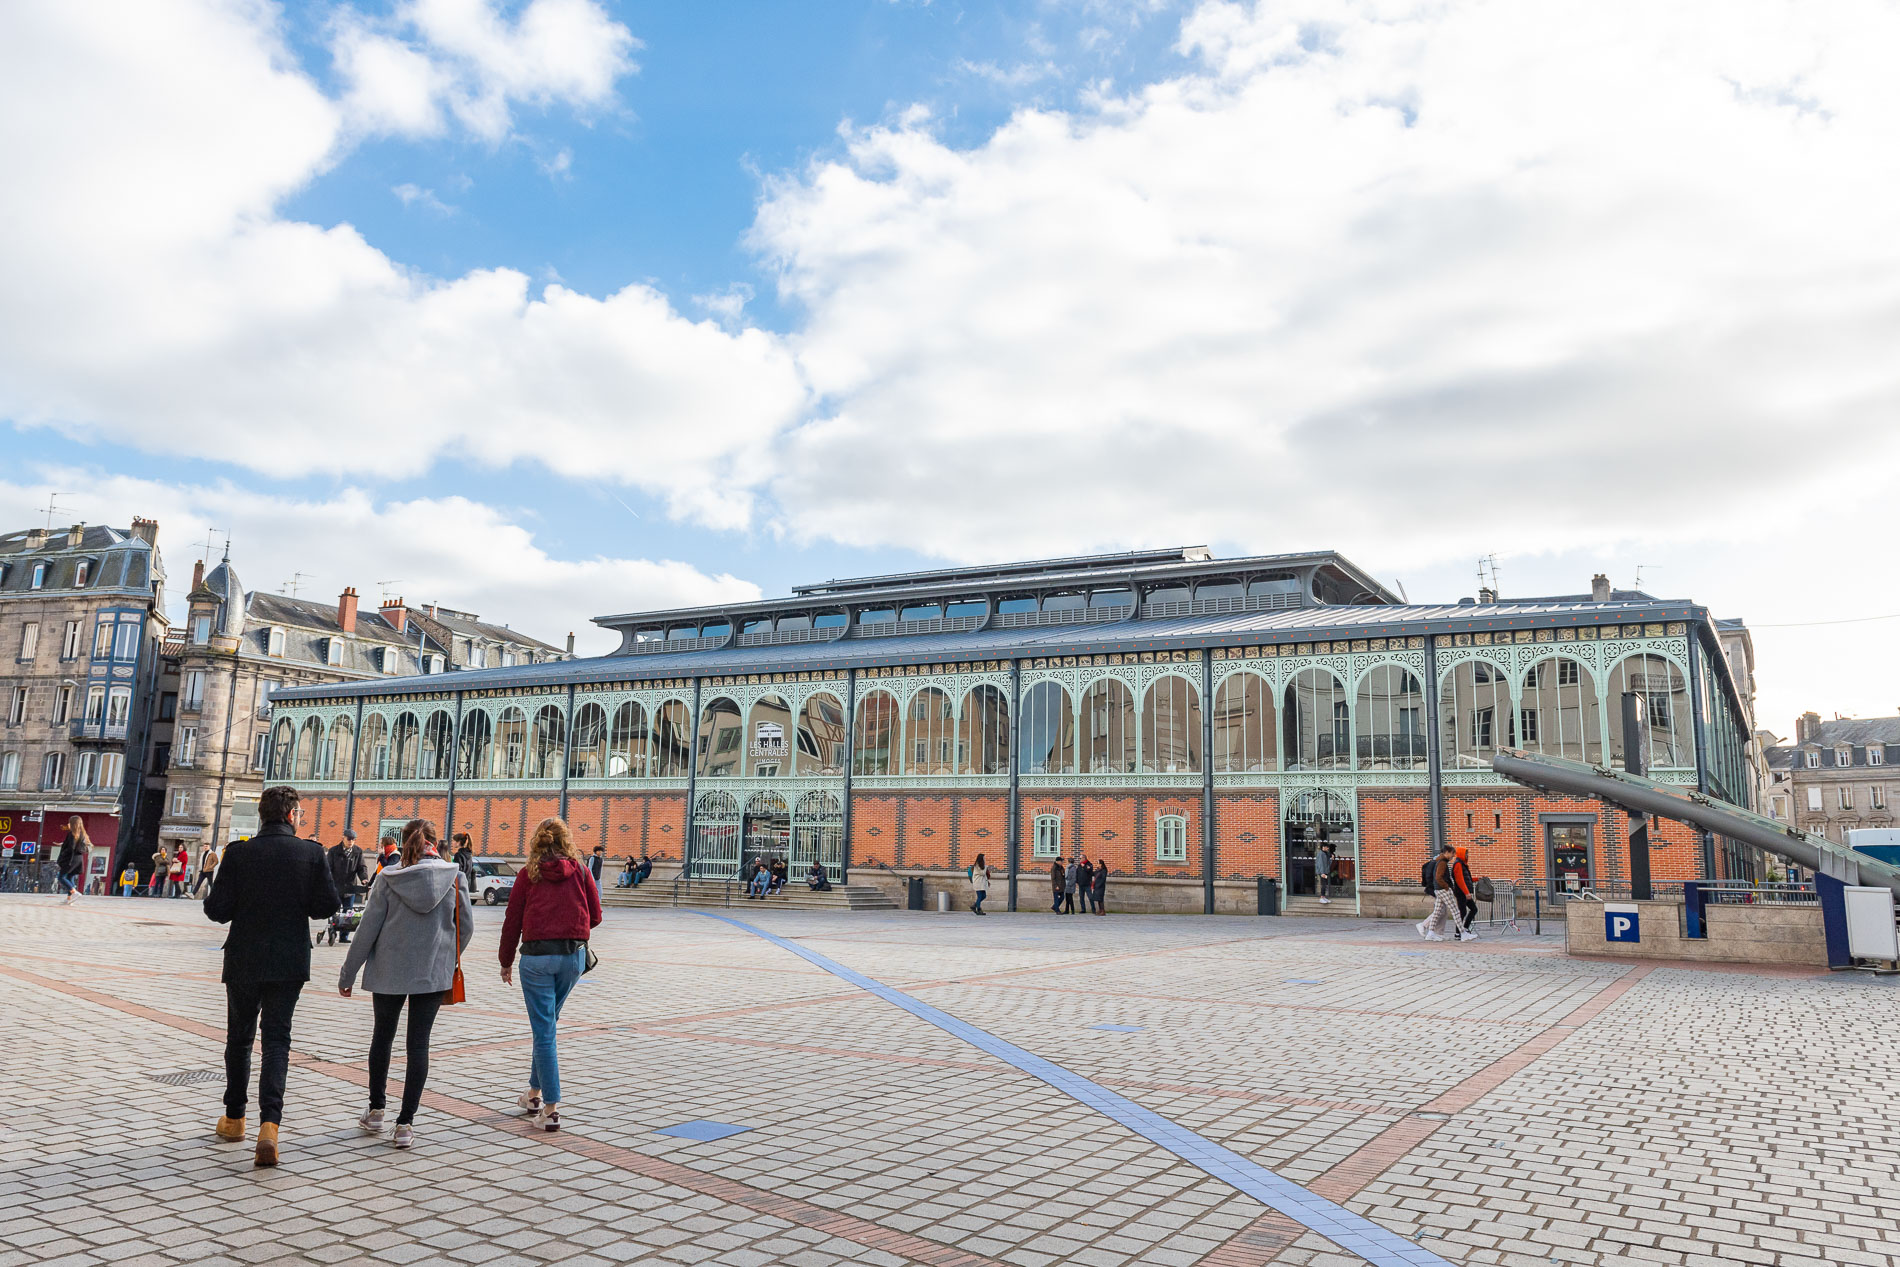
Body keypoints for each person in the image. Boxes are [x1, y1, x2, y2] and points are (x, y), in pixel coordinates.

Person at [203, 785, 339, 1167]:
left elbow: (217, 911)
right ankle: (270, 1127)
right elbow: (327, 905)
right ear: (292, 815)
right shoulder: (311, 853)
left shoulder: (239, 853)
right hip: (289, 959)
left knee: (240, 1038)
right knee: (277, 1040)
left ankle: (234, 1118)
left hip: (244, 958)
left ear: (262, 816)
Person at [338, 817, 473, 1150]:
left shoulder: (388, 877)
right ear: (434, 842)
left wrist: (348, 973)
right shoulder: (454, 876)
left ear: (404, 842)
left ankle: (376, 1110)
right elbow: (466, 927)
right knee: (418, 1044)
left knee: (383, 1037)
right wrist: (446, 955)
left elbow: (367, 929)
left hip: (388, 971)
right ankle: (405, 1124)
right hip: (432, 972)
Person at [499, 818, 601, 1133]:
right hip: (572, 958)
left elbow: (512, 919)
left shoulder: (528, 874)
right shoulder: (581, 871)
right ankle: (533, 1094)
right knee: (547, 1026)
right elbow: (596, 916)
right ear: (566, 840)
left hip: (537, 959)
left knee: (544, 1031)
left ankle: (551, 1109)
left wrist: (505, 960)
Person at [328, 831, 368, 940]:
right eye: (349, 839)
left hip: (350, 887)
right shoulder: (333, 851)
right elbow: (328, 868)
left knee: (348, 912)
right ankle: (332, 930)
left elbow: (361, 867)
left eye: (353, 839)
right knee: (335, 911)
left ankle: (344, 936)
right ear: (343, 838)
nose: (351, 841)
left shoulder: (358, 851)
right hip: (336, 886)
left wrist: (364, 878)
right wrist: (328, 881)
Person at [1417, 844, 1460, 942]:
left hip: (1439, 889)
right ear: (1446, 852)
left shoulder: (1441, 861)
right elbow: (1436, 878)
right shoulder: (1439, 862)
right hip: (1438, 890)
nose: (1453, 856)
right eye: (1452, 853)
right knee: (1440, 911)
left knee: (1442, 911)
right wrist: (1443, 888)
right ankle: (1424, 925)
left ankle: (1438, 932)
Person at [54, 816, 87, 905]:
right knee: (70, 877)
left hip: (70, 859)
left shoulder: (72, 834)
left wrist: (63, 854)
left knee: (61, 877)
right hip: (78, 859)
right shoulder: (82, 834)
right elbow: (76, 845)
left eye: (70, 822)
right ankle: (69, 899)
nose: (68, 824)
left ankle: (74, 892)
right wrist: (63, 844)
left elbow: (71, 847)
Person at [1450, 846, 1479, 941]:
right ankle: (1458, 932)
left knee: (1473, 909)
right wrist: (1466, 892)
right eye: (1466, 853)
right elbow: (1460, 880)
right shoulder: (1458, 864)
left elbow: (1467, 879)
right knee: (1463, 911)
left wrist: (1478, 879)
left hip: (1464, 891)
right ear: (1462, 854)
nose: (1467, 855)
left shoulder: (1463, 864)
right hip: (1461, 892)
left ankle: (1464, 929)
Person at [1316, 837, 1335, 906]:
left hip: (1325, 871)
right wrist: (1322, 873)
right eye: (1327, 847)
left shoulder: (1325, 854)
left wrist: (1331, 859)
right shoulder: (1321, 854)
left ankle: (1324, 897)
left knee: (1325, 884)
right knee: (1323, 884)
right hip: (1322, 872)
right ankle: (1322, 898)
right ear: (1323, 847)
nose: (1328, 848)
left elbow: (1327, 863)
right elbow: (1320, 864)